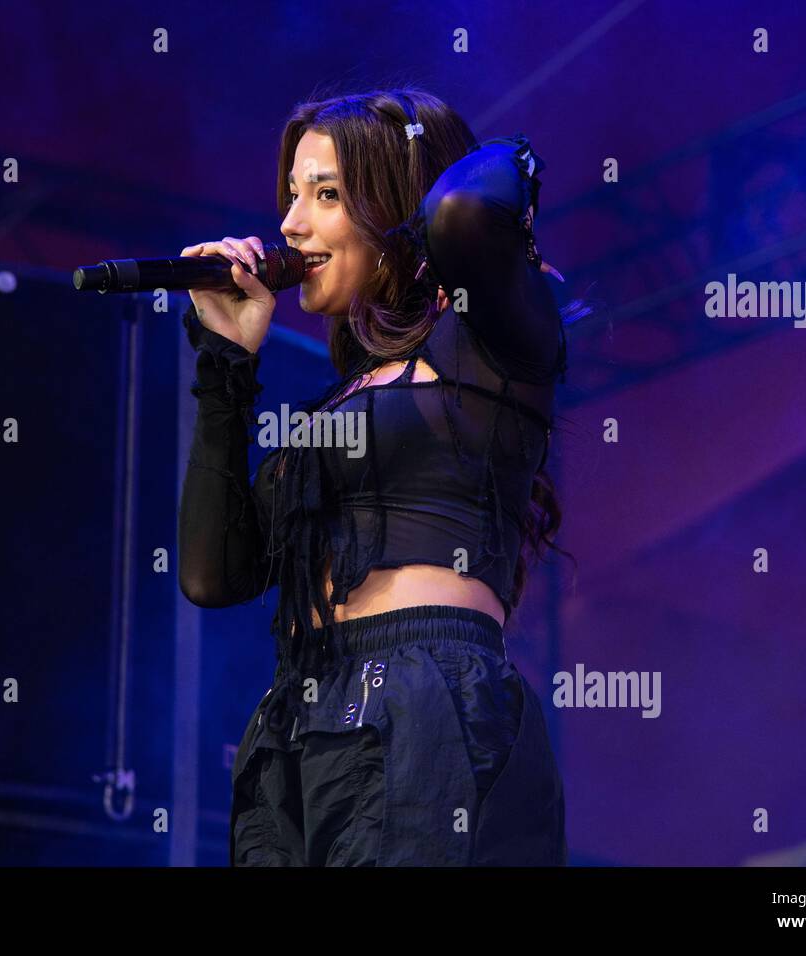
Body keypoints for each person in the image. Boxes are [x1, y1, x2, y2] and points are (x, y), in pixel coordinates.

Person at [177, 87, 581, 866]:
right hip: (294, 721)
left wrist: (478, 157)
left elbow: (468, 207)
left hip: (421, 699)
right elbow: (212, 575)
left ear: (400, 209)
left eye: (326, 195)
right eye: (292, 194)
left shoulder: (486, 344)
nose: (291, 224)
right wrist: (226, 365)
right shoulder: (338, 398)